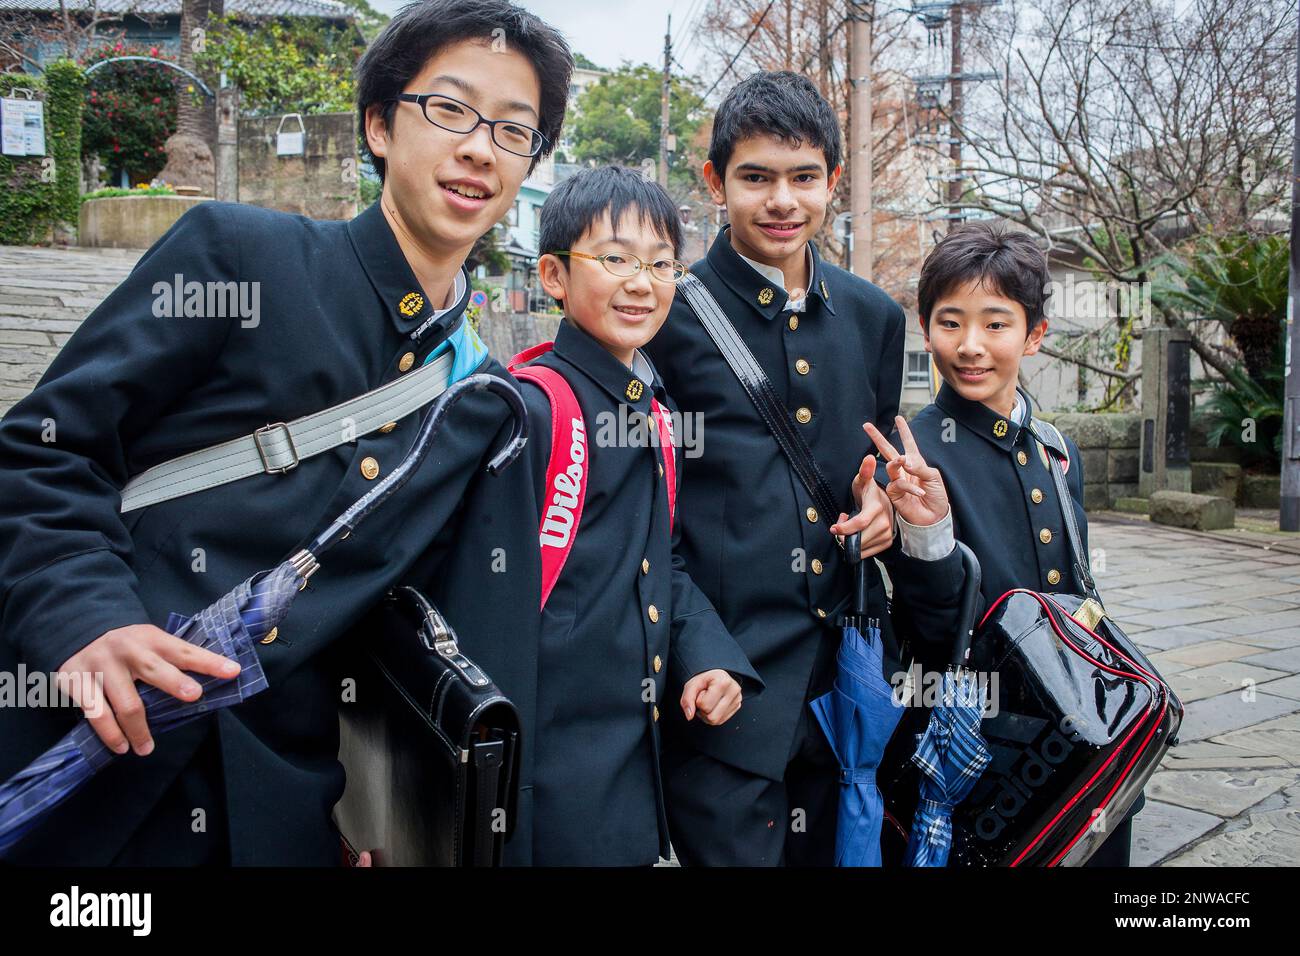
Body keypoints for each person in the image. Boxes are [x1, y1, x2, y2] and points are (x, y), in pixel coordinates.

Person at [0, 0, 573, 865]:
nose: (479, 147)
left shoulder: (487, 407)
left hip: (278, 813)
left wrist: (399, 819)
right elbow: (43, 451)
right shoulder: (240, 257)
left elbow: (440, 638)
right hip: (83, 753)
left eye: (514, 130)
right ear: (380, 125)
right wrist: (86, 619)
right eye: (449, 109)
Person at [410, 166, 761, 866]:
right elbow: (459, 592)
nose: (641, 282)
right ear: (553, 275)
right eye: (615, 259)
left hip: (625, 779)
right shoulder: (521, 410)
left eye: (662, 264)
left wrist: (707, 657)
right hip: (528, 782)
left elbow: (661, 562)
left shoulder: (654, 417)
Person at [644, 71, 916, 866]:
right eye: (755, 177)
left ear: (833, 181)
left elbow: (879, 465)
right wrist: (697, 654)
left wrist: (887, 511)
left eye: (803, 177)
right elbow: (638, 517)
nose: (781, 201)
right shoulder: (666, 316)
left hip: (848, 690)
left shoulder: (875, 318)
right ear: (715, 184)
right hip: (723, 693)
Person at [868, 220, 1141, 866]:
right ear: (926, 327)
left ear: (1035, 335)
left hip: (1077, 733)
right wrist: (928, 531)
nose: (970, 346)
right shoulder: (912, 458)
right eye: (950, 322)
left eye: (996, 323)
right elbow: (932, 631)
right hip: (983, 752)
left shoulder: (1055, 448)